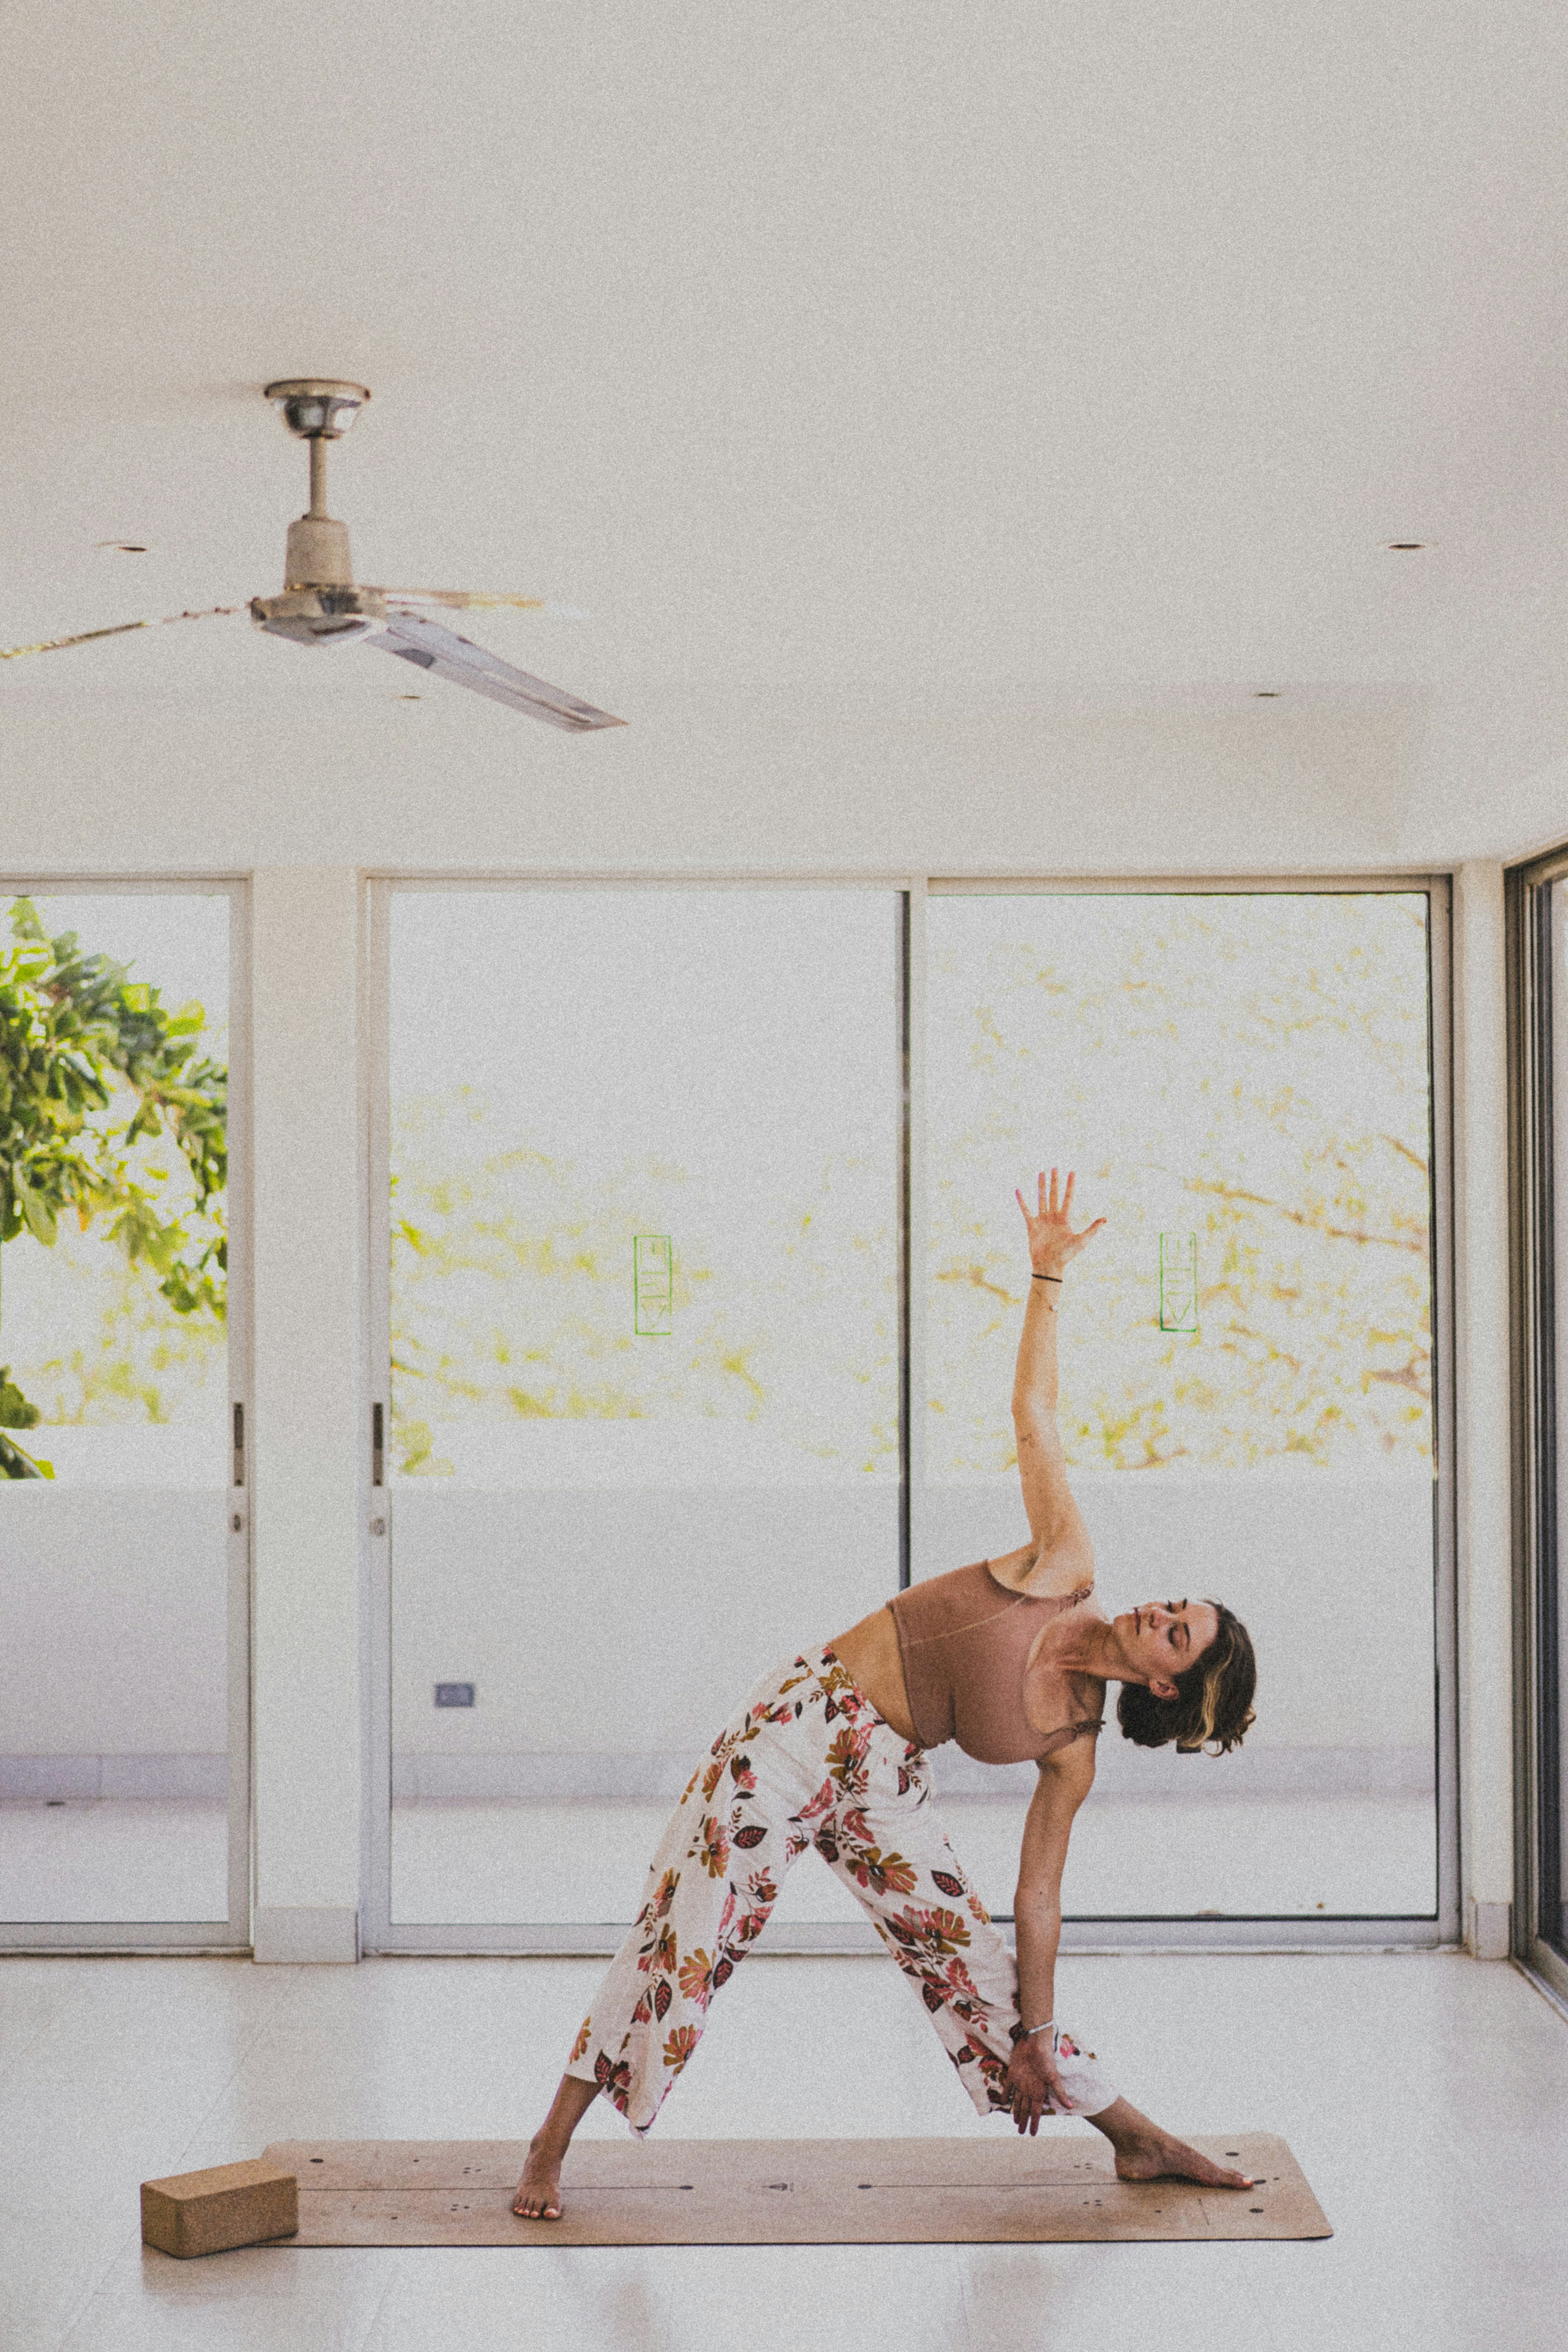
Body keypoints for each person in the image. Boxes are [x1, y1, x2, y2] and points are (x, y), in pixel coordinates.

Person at [515, 1170, 1259, 2219]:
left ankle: (1137, 2136)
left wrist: (1036, 2035)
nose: (1160, 1612)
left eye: (1177, 1631)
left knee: (977, 1958)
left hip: (883, 1778)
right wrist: (1047, 1273)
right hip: (801, 1727)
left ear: (1170, 1681)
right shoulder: (1065, 1561)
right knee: (690, 1930)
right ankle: (547, 2148)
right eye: (1174, 1602)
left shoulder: (1075, 1749)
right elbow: (1034, 1411)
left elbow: (1037, 1900)